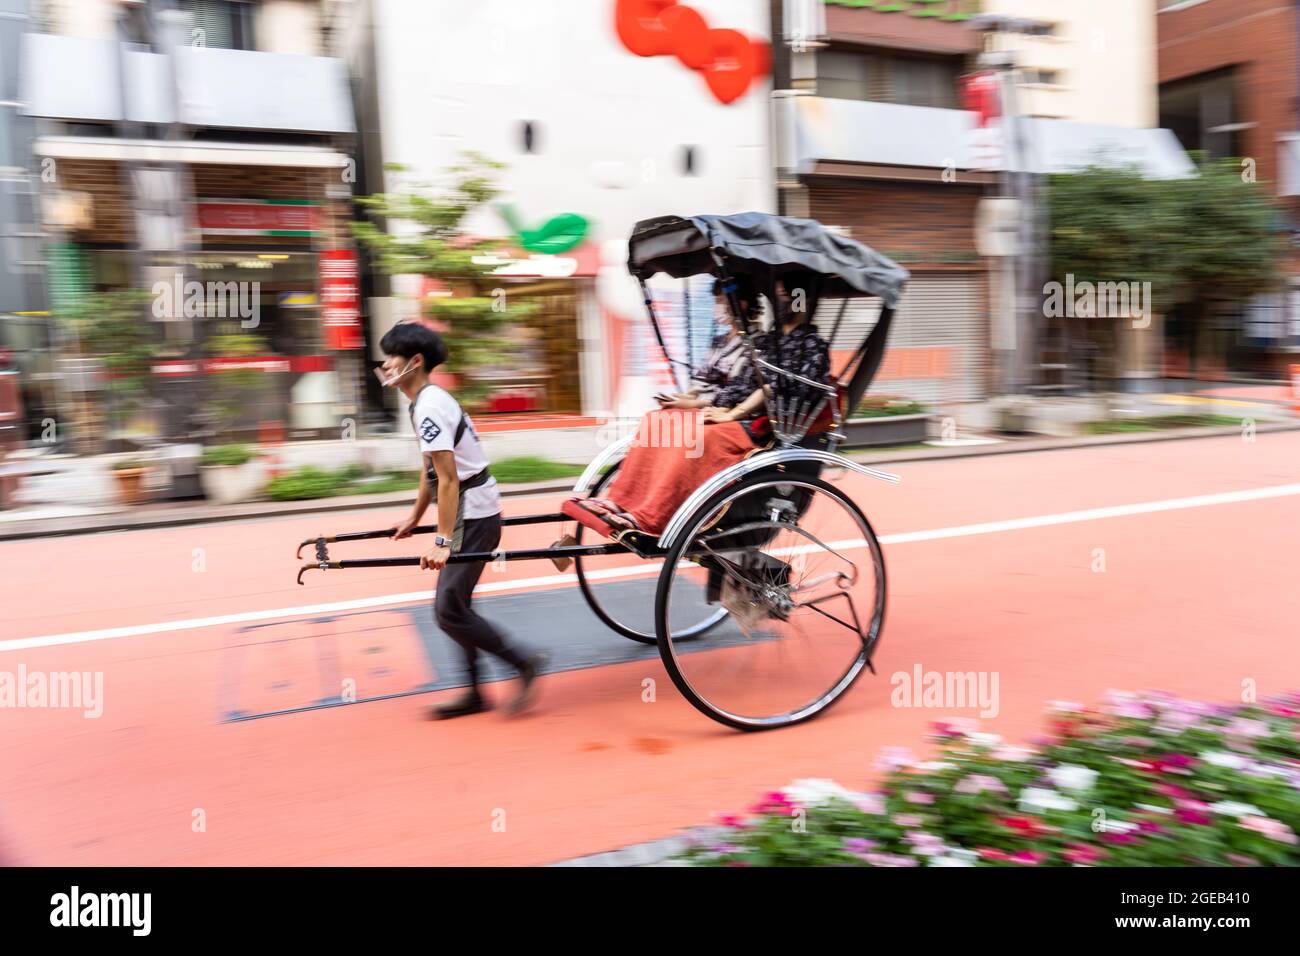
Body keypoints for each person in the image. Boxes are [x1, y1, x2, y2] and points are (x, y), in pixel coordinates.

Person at [573, 273, 831, 537]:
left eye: (787, 295)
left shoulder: (812, 346)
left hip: (769, 424)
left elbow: (773, 387)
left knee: (696, 437)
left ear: (802, 300)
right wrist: (714, 406)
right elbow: (740, 385)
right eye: (778, 295)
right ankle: (621, 500)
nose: (781, 301)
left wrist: (733, 413)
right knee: (658, 421)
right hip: (737, 411)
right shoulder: (767, 342)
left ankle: (652, 515)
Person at [378, 322, 546, 719]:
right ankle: (474, 692)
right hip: (469, 510)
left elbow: (450, 478)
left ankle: (523, 663)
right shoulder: (421, 400)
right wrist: (415, 516)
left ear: (415, 361)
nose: (385, 364)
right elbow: (430, 469)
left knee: (449, 609)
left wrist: (441, 541)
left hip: (475, 513)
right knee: (455, 606)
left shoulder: (431, 404)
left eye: (392, 357)